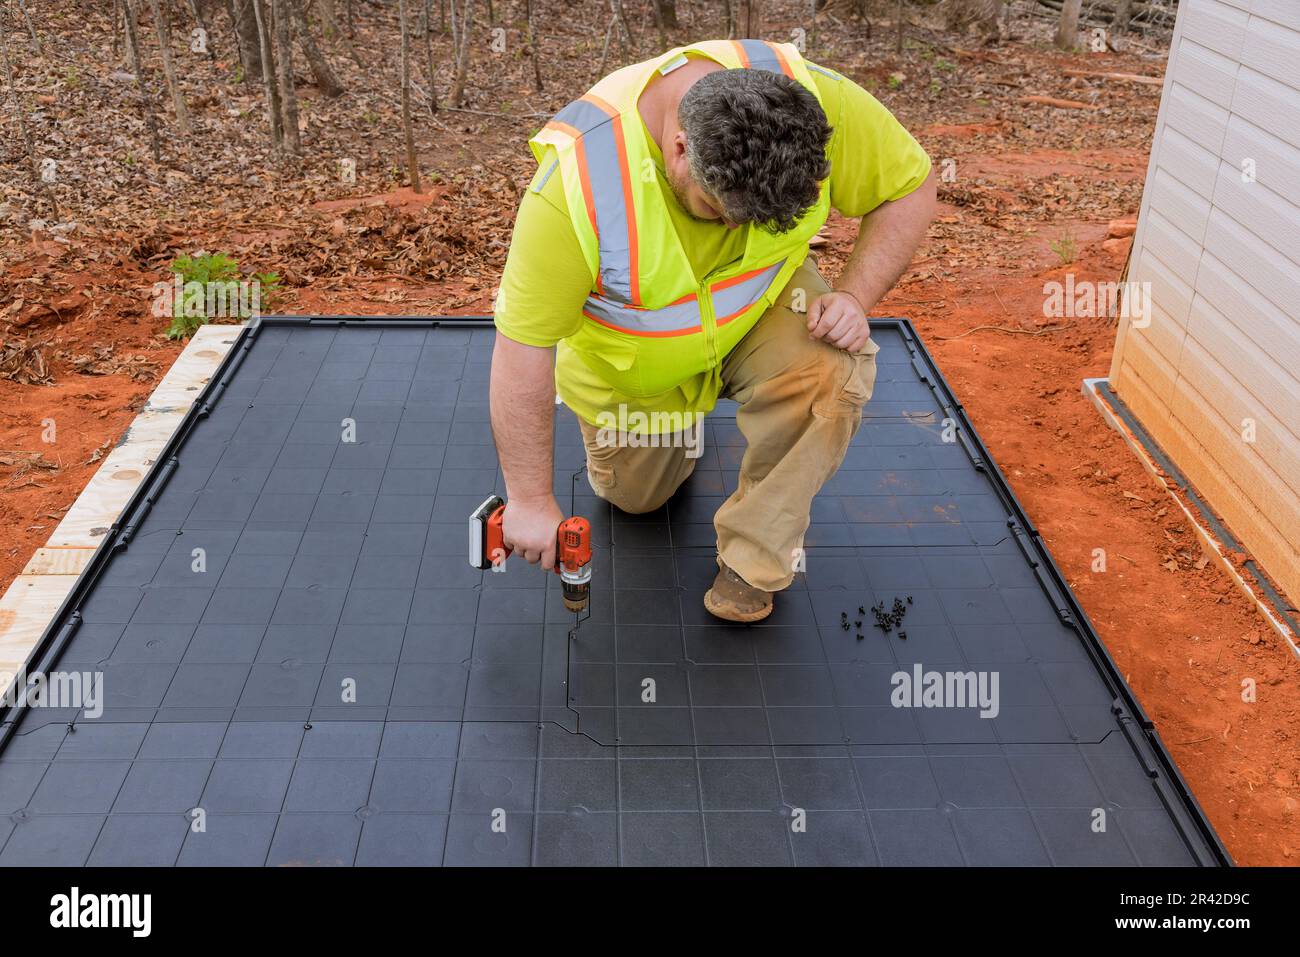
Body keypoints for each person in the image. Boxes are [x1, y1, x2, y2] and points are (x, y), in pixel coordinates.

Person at [490, 39, 935, 622]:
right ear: (680, 148)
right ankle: (668, 441)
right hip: (637, 376)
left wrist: (852, 296)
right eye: (719, 209)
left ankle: (753, 560)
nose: (734, 228)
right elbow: (524, 344)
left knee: (832, 369)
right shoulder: (575, 188)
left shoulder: (816, 107)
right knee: (639, 500)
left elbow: (910, 185)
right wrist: (528, 500)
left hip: (759, 312)